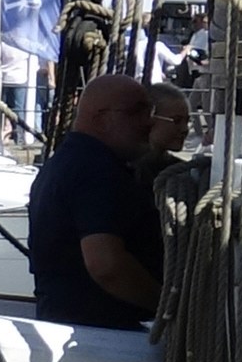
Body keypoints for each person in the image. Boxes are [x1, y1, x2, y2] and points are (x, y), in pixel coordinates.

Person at [26, 70, 190, 328]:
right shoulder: (94, 170)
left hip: (69, 323)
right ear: (101, 118)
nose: (148, 123)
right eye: (136, 112)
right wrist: (171, 308)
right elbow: (106, 265)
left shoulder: (63, 164)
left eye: (149, 112)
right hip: (101, 332)